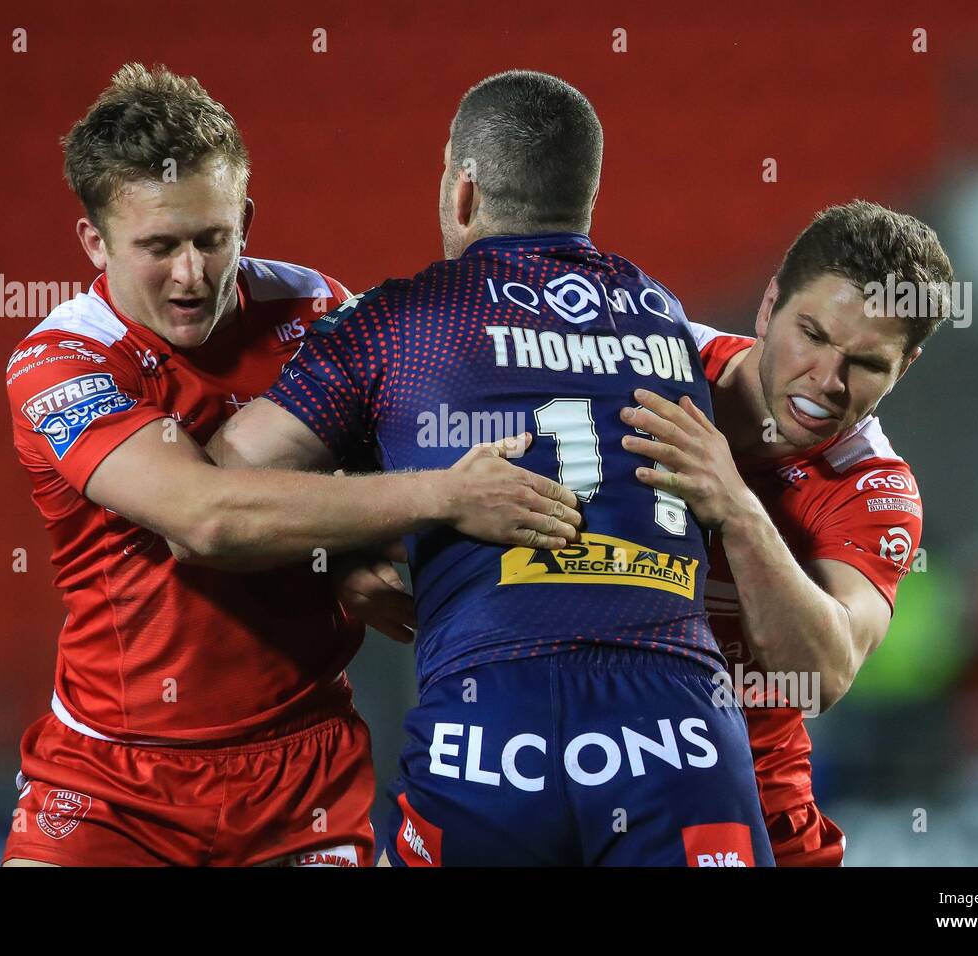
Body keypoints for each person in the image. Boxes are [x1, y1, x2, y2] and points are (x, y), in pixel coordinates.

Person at [1, 64, 579, 867]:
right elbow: (206, 520)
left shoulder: (317, 314)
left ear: (245, 216)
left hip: (298, 772)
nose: (191, 274)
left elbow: (379, 488)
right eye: (158, 247)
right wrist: (445, 497)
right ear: (94, 243)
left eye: (212, 238)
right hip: (111, 779)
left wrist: (358, 559)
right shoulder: (63, 361)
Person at [204, 70, 774, 866]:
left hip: (494, 717)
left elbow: (228, 483)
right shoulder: (666, 318)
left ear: (462, 190)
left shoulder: (398, 320)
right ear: (585, 197)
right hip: (681, 725)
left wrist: (351, 540)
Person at [625, 199, 952, 864]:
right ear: (770, 302)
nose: (828, 380)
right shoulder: (643, 362)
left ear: (906, 367)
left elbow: (825, 674)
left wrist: (737, 509)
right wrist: (367, 556)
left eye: (867, 364)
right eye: (813, 334)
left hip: (752, 809)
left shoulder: (874, 491)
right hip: (586, 774)